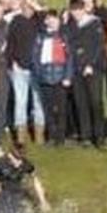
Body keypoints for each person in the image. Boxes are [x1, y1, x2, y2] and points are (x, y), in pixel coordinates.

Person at [31, 9, 73, 146]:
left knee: (61, 109)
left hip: (60, 77)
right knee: (48, 109)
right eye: (49, 19)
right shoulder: (40, 37)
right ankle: (51, 136)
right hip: (45, 77)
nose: (52, 22)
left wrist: (67, 76)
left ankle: (61, 137)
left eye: (55, 20)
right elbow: (35, 58)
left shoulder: (64, 36)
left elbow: (69, 58)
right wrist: (39, 75)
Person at [7, 0, 45, 144]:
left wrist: (37, 9)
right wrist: (12, 62)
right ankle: (21, 135)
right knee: (20, 101)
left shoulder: (39, 20)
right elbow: (10, 42)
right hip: (20, 68)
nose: (28, 9)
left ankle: (39, 134)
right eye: (26, 6)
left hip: (37, 68)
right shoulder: (16, 21)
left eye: (31, 6)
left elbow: (47, 25)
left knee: (38, 102)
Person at [67, 0, 105, 148]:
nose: (76, 13)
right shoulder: (70, 26)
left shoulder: (94, 23)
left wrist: (90, 64)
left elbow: (99, 46)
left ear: (84, 10)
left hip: (92, 69)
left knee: (95, 102)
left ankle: (99, 136)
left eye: (78, 10)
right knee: (81, 102)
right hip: (77, 69)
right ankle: (85, 136)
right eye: (73, 10)